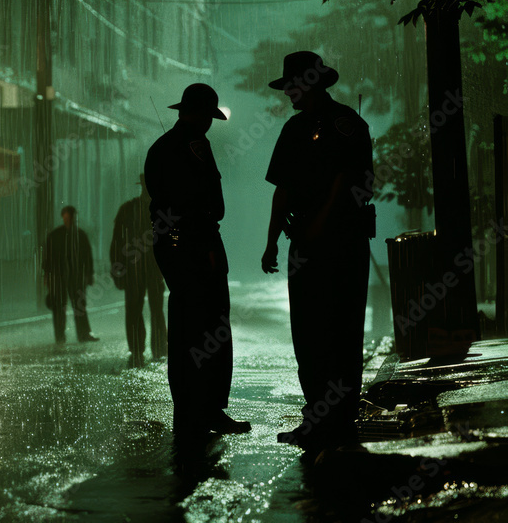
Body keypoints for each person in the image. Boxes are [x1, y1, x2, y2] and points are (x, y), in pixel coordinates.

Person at [260, 51, 374, 451]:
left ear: (312, 83)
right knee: (311, 335)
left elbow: (349, 183)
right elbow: (283, 189)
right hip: (309, 244)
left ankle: (337, 419)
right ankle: (323, 417)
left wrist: (319, 223)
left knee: (336, 333)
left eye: (294, 83)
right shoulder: (298, 128)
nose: (289, 91)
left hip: (337, 244)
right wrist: (274, 239)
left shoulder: (343, 126)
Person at [144, 83, 250, 437]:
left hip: (171, 242)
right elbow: (203, 204)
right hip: (196, 243)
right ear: (201, 115)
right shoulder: (195, 146)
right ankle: (207, 409)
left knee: (186, 328)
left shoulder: (160, 147)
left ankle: (188, 411)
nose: (209, 124)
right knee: (212, 327)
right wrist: (205, 245)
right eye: (209, 117)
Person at [110, 174, 167, 367]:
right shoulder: (161, 210)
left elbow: (117, 242)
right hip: (149, 268)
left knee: (141, 309)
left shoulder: (129, 210)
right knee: (150, 309)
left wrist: (117, 268)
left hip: (142, 269)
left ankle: (140, 350)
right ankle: (152, 349)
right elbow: (117, 241)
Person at [43, 205, 99, 344]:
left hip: (73, 277)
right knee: (61, 308)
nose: (68, 220)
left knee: (77, 306)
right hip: (61, 277)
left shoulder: (76, 235)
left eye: (70, 217)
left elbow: (87, 257)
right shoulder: (61, 235)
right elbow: (48, 257)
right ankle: (63, 336)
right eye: (67, 217)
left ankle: (81, 334)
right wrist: (47, 275)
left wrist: (89, 274)